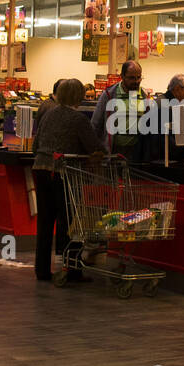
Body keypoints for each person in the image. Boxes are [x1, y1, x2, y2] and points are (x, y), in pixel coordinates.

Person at [32, 78, 105, 282]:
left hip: (41, 168)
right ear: (79, 96)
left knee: (45, 222)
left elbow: (35, 145)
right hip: (64, 173)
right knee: (70, 224)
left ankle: (42, 270)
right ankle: (71, 270)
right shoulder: (78, 119)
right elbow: (94, 147)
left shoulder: (48, 114)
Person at [92, 60, 145, 162]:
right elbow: (95, 124)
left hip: (136, 152)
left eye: (139, 77)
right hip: (113, 150)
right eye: (132, 78)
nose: (136, 81)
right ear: (122, 76)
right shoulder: (109, 95)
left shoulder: (143, 95)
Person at [146, 74, 184, 163]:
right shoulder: (164, 106)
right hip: (161, 162)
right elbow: (163, 139)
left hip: (165, 159)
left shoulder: (172, 104)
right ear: (177, 88)